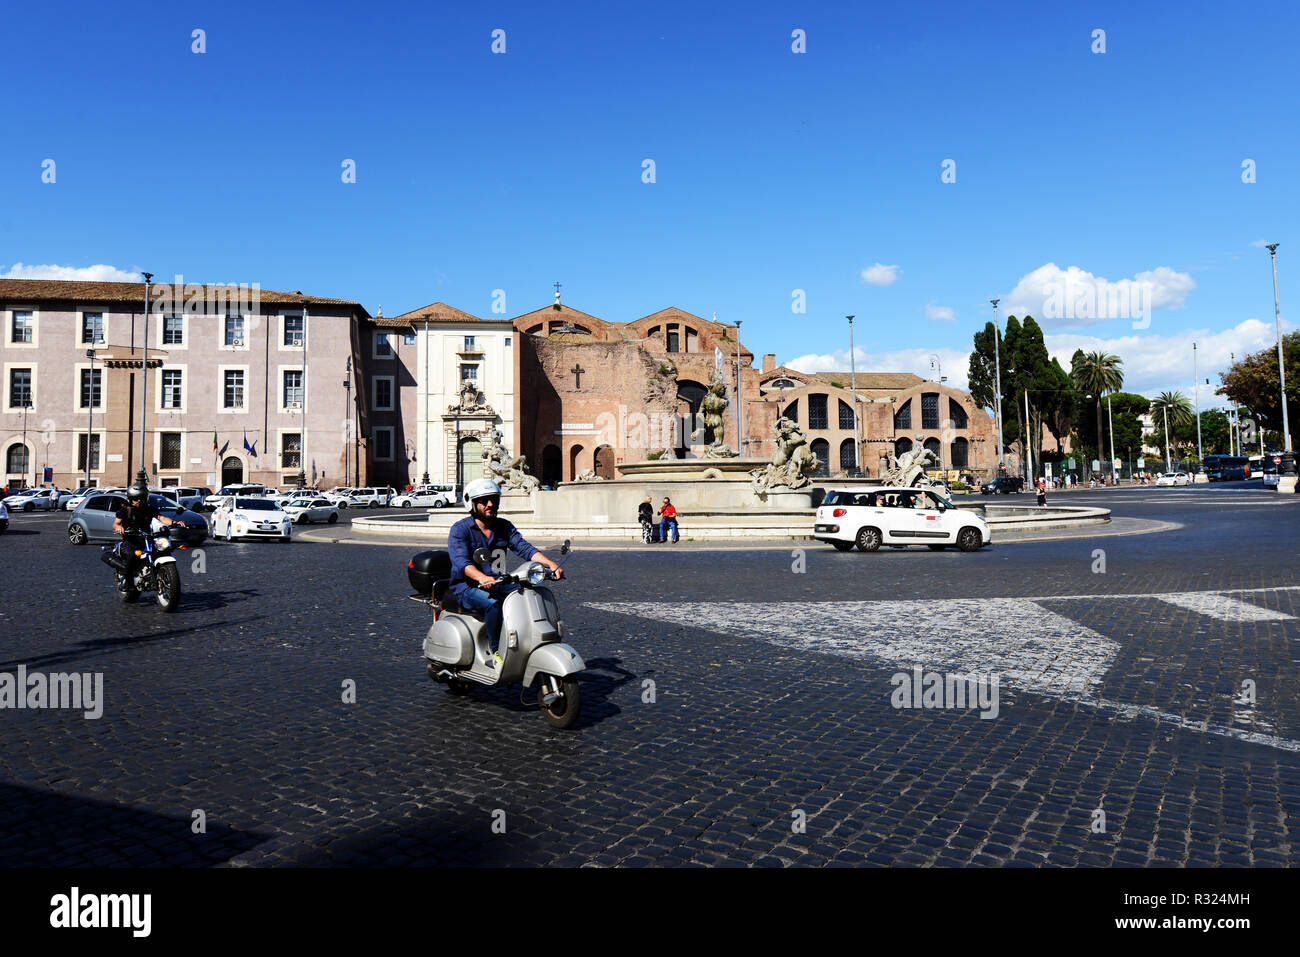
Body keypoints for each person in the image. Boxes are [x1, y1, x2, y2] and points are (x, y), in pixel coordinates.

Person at [447, 478, 563, 661]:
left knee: (529, 595)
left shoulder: (504, 527)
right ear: (473, 503)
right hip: (468, 587)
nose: (490, 504)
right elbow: (461, 563)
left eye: (494, 499)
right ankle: (496, 651)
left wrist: (550, 564)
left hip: (499, 582)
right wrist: (481, 577)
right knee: (493, 603)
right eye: (484, 501)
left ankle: (527, 642)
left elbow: (524, 548)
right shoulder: (460, 530)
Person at [112, 483, 185, 568]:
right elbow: (116, 524)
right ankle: (127, 579)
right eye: (136, 498)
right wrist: (118, 527)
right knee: (131, 556)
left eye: (142, 498)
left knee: (162, 550)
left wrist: (174, 523)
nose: (139, 500)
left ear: (145, 498)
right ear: (130, 499)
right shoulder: (125, 510)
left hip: (147, 538)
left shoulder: (149, 509)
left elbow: (161, 517)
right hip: (131, 540)